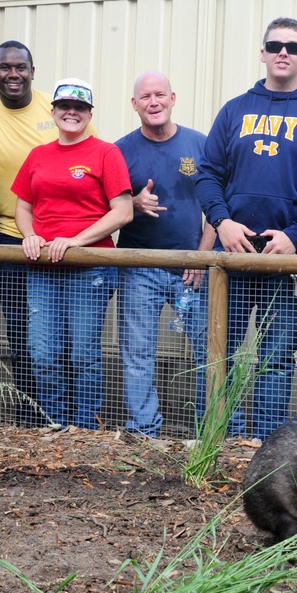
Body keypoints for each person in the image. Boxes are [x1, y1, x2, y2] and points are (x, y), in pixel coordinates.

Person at [195, 17, 297, 441]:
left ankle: (267, 446)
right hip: (233, 259)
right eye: (275, 45)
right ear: (262, 52)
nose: (284, 52)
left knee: (276, 358)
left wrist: (295, 235)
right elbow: (207, 175)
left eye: (293, 47)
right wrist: (222, 223)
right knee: (218, 354)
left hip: (289, 261)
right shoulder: (234, 110)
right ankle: (216, 440)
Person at [0, 41, 96, 426]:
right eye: (4, 67)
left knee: (73, 336)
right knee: (24, 334)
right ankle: (33, 418)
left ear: (33, 72)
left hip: (68, 242)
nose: (12, 74)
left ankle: (77, 423)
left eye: (20, 67)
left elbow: (93, 160)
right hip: (15, 240)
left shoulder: (63, 108)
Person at [13, 78, 133, 429]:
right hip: (42, 266)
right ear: (53, 112)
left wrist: (78, 240)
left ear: (89, 113)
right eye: (65, 106)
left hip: (89, 267)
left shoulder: (106, 153)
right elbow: (22, 206)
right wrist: (30, 235)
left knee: (83, 354)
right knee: (43, 353)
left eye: (79, 107)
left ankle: (84, 429)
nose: (71, 112)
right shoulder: (38, 155)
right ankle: (56, 424)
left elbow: (122, 211)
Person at [114, 70, 214, 437]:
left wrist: (202, 259)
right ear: (134, 104)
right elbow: (108, 208)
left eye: (160, 95)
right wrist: (133, 204)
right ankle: (144, 430)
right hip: (139, 267)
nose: (153, 102)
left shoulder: (200, 145)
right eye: (145, 97)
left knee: (210, 352)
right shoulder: (120, 151)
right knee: (138, 355)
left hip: (192, 269)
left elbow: (218, 209)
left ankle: (212, 429)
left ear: (173, 98)